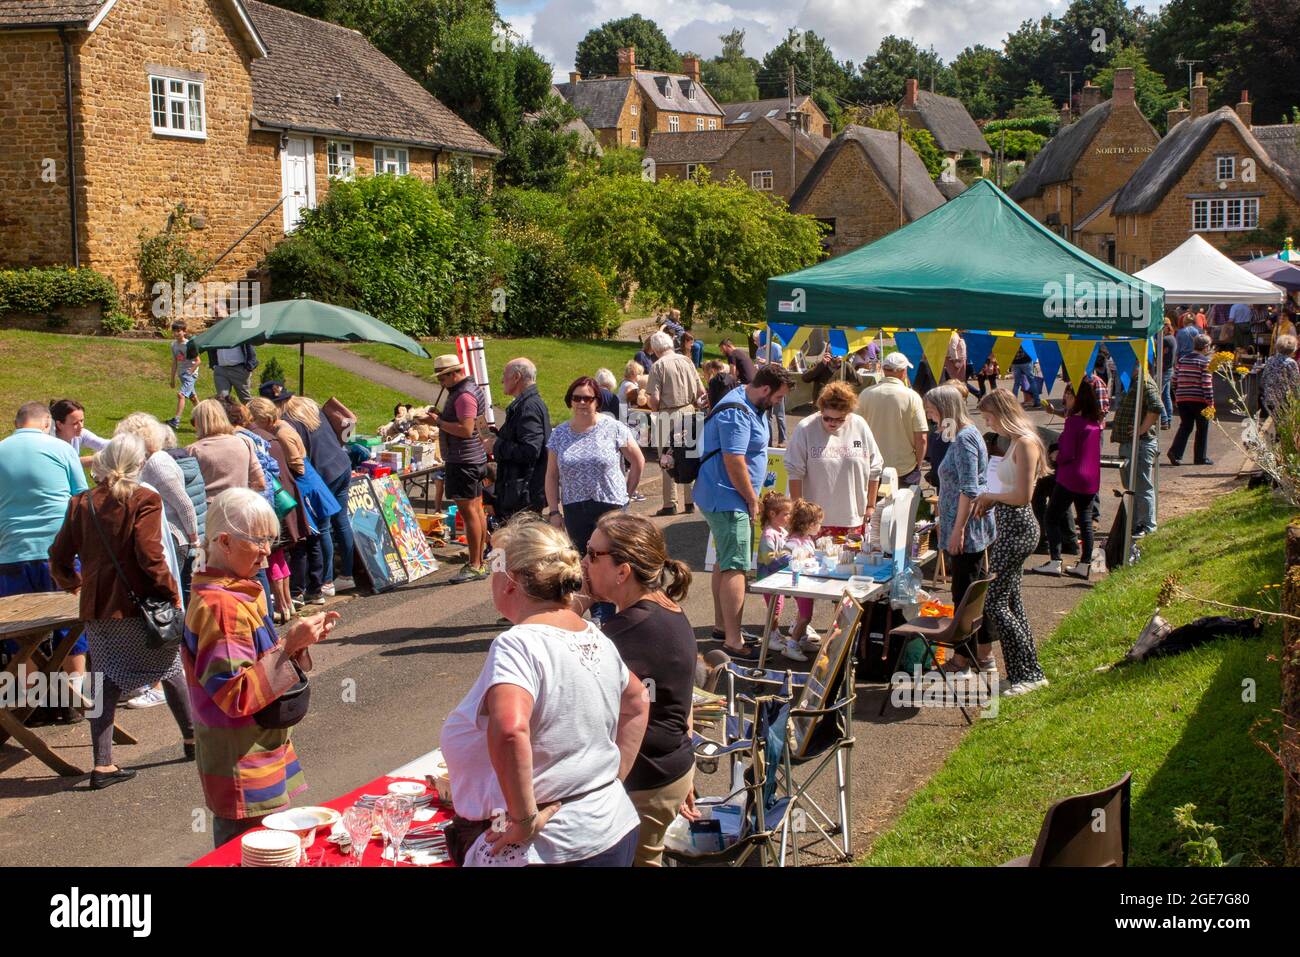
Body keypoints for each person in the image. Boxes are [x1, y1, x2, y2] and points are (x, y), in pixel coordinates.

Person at [439, 514, 649, 867]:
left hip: (552, 848)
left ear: (511, 581)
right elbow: (639, 700)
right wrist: (607, 782)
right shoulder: (590, 633)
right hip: (608, 827)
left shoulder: (518, 644)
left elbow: (509, 729)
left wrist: (522, 821)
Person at [183, 488, 338, 846]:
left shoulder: (234, 590)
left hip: (256, 755)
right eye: (258, 542)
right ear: (224, 541)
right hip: (243, 763)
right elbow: (235, 695)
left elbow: (257, 663)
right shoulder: (223, 606)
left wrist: (296, 644)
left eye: (271, 540)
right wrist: (291, 644)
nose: (268, 552)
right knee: (253, 851)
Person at [49, 434, 195, 789]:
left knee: (105, 680)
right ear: (137, 464)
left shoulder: (80, 502)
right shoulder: (144, 498)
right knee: (169, 666)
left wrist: (75, 583)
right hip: (141, 602)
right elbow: (151, 556)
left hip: (99, 607)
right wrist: (170, 592)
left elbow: (58, 555)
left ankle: (103, 764)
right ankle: (193, 739)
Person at [581, 512, 696, 867]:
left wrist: (569, 609)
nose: (583, 562)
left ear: (623, 571)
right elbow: (679, 702)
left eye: (592, 554)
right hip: (668, 770)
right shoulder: (664, 608)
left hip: (645, 781)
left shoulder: (627, 631)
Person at [693, 365, 794, 658]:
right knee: (736, 566)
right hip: (728, 498)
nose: (778, 403)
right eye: (778, 398)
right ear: (765, 390)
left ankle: (723, 627)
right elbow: (733, 459)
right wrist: (752, 498)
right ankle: (734, 642)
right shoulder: (737, 412)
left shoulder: (746, 401)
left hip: (722, 496)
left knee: (724, 562)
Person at [0, 402, 90, 724]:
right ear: (47, 423)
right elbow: (82, 499)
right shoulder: (60, 449)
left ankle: (30, 706)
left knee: (20, 634)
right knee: (72, 625)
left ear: (16, 422)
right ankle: (75, 699)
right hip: (60, 553)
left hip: (11, 554)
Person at [545, 377, 644, 623]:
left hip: (610, 507)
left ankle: (610, 615)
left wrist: (627, 495)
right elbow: (551, 474)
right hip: (575, 507)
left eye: (587, 398)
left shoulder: (612, 427)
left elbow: (638, 461)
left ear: (596, 401)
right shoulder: (559, 434)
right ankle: (598, 615)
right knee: (584, 565)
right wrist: (554, 512)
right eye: (576, 397)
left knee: (611, 563)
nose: (581, 403)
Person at [973, 389, 1050, 696]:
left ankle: (1030, 672)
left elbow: (1023, 496)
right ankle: (1022, 672)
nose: (988, 422)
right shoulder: (1015, 442)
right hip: (1008, 526)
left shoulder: (1026, 443)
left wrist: (992, 497)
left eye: (989, 416)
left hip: (1018, 528)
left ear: (1002, 413)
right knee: (1011, 601)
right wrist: (993, 499)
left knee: (994, 602)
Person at [926, 385, 997, 678]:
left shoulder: (966, 438)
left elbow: (969, 487)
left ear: (944, 408)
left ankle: (964, 659)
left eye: (931, 410)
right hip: (969, 525)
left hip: (968, 529)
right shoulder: (961, 434)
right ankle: (982, 655)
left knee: (965, 594)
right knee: (974, 592)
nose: (930, 416)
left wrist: (957, 530)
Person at [248, 397, 335, 611]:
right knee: (314, 537)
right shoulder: (282, 427)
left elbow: (298, 464)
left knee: (309, 539)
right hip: (305, 484)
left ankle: (310, 588)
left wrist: (286, 471)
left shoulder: (281, 434)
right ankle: (316, 586)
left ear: (265, 419)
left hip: (303, 486)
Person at [115, 413, 200, 602]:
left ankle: (177, 631)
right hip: (169, 536)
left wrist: (194, 539)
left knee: (171, 595)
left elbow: (184, 504)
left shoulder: (157, 464)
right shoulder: (155, 459)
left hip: (173, 538)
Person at [420, 355, 489, 584]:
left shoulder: (464, 395)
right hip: (472, 459)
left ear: (453, 373)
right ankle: (479, 560)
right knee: (477, 511)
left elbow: (466, 429)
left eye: (442, 377)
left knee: (470, 514)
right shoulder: (467, 390)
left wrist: (437, 423)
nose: (440, 382)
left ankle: (475, 564)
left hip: (464, 461)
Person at [786, 381, 882, 537]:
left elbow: (875, 468)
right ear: (821, 410)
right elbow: (794, 471)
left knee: (851, 561)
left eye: (840, 419)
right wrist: (798, 511)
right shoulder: (806, 428)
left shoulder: (860, 425)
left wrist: (871, 505)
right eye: (827, 418)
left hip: (852, 519)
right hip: (813, 521)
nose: (833, 423)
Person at [283, 396, 355, 593]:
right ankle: (347, 574)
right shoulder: (311, 410)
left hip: (325, 473)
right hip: (342, 465)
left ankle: (327, 580)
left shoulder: (289, 421)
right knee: (341, 521)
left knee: (323, 527)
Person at [1036, 378, 1104, 579]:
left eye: (1069, 394)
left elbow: (1067, 452)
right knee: (1085, 519)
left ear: (1079, 397)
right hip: (1090, 479)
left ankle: (1055, 560)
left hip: (1071, 476)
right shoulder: (1095, 421)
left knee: (1051, 516)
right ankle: (1085, 564)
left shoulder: (1074, 421)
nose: (1065, 397)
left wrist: (1056, 455)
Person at [645, 332, 702, 516]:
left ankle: (670, 503)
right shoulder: (687, 361)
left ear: (655, 348)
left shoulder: (657, 366)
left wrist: (651, 406)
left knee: (667, 459)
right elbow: (701, 390)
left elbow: (654, 400)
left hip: (667, 414)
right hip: (689, 411)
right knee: (689, 455)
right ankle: (690, 501)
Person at [488, 358, 552, 522]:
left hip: (523, 496)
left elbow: (531, 450)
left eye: (505, 375)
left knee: (520, 545)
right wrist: (498, 437)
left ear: (516, 377)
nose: (502, 380)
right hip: (521, 492)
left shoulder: (528, 407)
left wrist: (497, 445)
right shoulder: (526, 404)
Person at [857, 352, 929, 486]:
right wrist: (918, 464)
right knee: (904, 505)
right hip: (904, 467)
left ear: (884, 370)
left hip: (872, 466)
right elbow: (921, 438)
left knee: (871, 506)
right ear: (904, 371)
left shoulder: (865, 394)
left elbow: (855, 431)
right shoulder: (912, 397)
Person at [1111, 364, 1163, 539]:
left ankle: (1147, 525)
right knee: (1132, 486)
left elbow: (1156, 407)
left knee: (1141, 485)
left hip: (1140, 444)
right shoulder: (1135, 381)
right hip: (1131, 443)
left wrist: (1141, 429)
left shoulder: (1145, 382)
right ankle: (1136, 524)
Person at [188, 398, 267, 503]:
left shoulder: (193, 451)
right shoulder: (244, 442)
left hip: (210, 511)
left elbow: (187, 491)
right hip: (240, 506)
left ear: (198, 422)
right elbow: (260, 483)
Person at [783, 499, 825, 661]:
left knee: (804, 613)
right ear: (809, 524)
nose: (820, 526)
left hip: (807, 583)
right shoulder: (794, 542)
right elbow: (785, 557)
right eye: (818, 523)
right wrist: (800, 558)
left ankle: (801, 639)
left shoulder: (807, 539)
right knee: (806, 616)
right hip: (800, 584)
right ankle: (791, 645)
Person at [1168, 333, 1216, 467]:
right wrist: (1210, 402)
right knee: (1202, 428)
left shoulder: (1183, 359)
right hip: (1198, 399)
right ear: (1206, 347)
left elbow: (1174, 379)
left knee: (1186, 425)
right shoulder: (1205, 362)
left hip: (1183, 398)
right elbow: (1206, 383)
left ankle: (1175, 452)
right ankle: (1200, 457)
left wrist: (1177, 396)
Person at [756, 491, 793, 653]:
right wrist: (788, 559)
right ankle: (771, 636)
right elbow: (769, 558)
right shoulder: (769, 534)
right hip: (769, 578)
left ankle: (775, 632)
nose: (789, 517)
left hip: (778, 578)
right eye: (786, 514)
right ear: (772, 514)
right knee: (775, 608)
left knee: (779, 605)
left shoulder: (781, 531)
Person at [50, 398, 108, 465]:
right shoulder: (49, 442)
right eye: (75, 423)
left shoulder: (79, 433)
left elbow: (104, 445)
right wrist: (99, 459)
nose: (81, 426)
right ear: (59, 424)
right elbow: (65, 463)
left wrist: (120, 445)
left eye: (81, 421)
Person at [755, 334, 787, 446]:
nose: (755, 343)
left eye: (756, 340)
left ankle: (782, 440)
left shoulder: (776, 347)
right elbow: (759, 365)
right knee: (767, 415)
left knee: (780, 414)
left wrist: (767, 362)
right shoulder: (758, 350)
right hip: (766, 386)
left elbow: (782, 365)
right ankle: (768, 440)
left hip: (778, 384)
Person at [167, 322, 200, 429]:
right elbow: (174, 362)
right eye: (174, 331)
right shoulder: (174, 345)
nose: (176, 333)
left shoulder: (189, 345)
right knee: (193, 398)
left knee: (181, 395)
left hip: (190, 375)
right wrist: (172, 379)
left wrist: (191, 371)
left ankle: (176, 420)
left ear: (184, 332)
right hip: (182, 375)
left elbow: (198, 361)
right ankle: (205, 417)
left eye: (179, 331)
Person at [1261, 334, 1300, 420]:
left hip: (1269, 398)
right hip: (1283, 400)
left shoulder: (1270, 359)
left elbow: (1263, 379)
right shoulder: (1291, 363)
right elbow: (1295, 384)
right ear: (1293, 349)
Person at [1160, 317, 1177, 429]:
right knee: (1166, 395)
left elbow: (1163, 356)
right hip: (1169, 369)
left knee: (1157, 395)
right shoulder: (1172, 338)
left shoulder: (1166, 340)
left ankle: (1164, 419)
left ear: (1167, 326)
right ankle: (1168, 419)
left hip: (1165, 369)